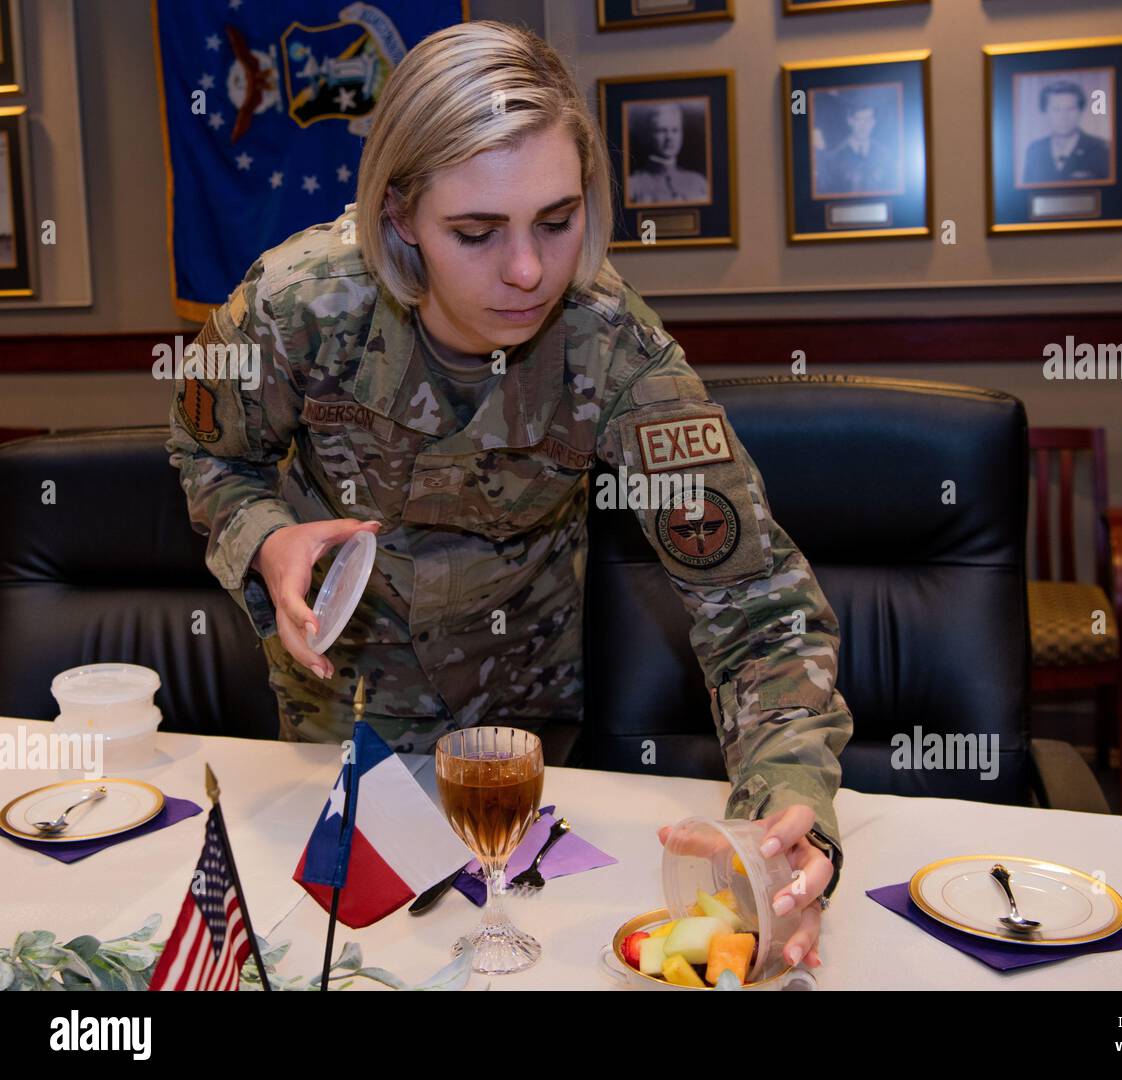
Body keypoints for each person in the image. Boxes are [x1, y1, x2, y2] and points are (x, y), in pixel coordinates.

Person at [166, 20, 851, 968]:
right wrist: (265, 535)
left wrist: (786, 813)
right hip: (340, 736)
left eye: (558, 220)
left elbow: (758, 606)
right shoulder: (297, 307)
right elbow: (209, 455)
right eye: (477, 233)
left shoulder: (609, 345)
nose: (529, 272)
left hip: (523, 746)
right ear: (400, 214)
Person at [1021, 80, 1111, 184]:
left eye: (1070, 109)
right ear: (1045, 112)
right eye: (1056, 109)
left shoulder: (1101, 150)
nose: (1063, 117)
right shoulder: (1035, 150)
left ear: (1080, 111)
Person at [626, 103, 710, 204]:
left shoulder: (698, 182)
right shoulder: (633, 185)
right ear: (650, 136)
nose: (669, 138)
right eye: (661, 130)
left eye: (675, 130)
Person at [817, 97, 898, 195]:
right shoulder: (834, 158)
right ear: (850, 121)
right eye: (859, 119)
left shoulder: (886, 156)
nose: (864, 125)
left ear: (874, 122)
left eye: (868, 119)